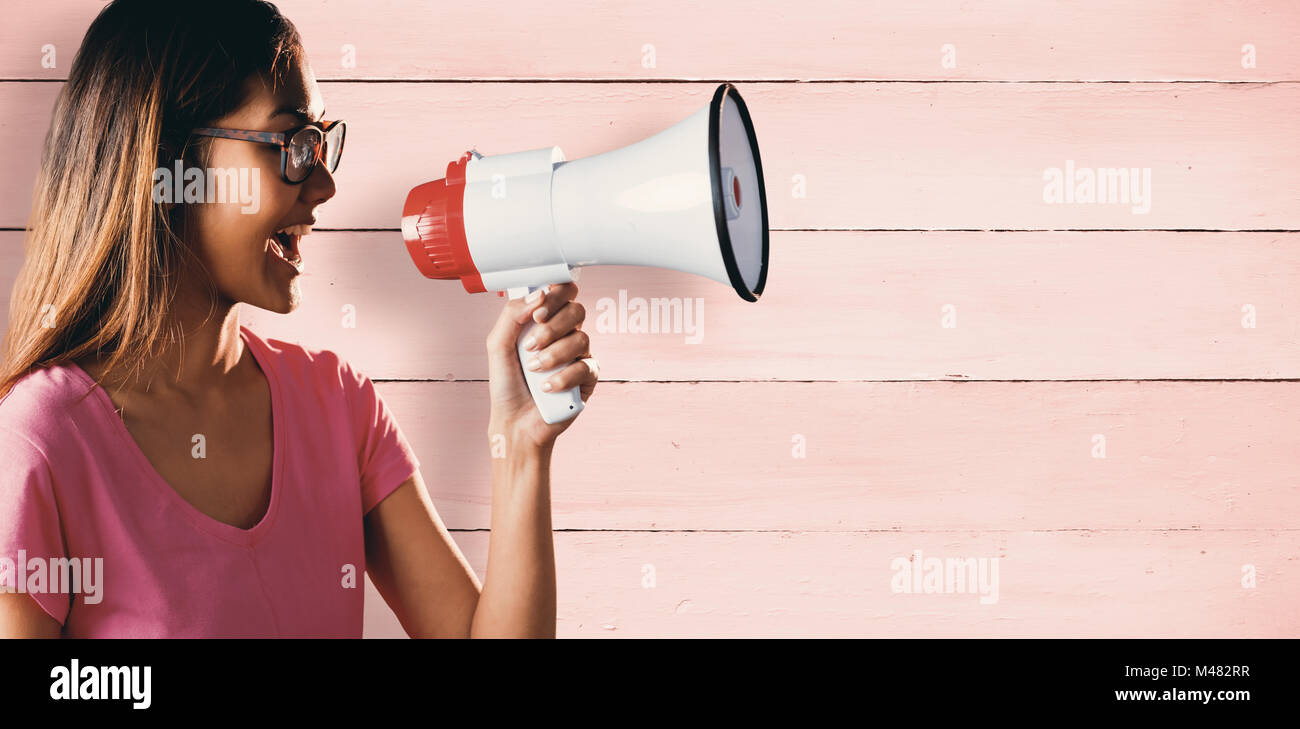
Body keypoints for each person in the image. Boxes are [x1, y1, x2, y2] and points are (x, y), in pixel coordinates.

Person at [0, 0, 598, 638]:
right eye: (292, 143)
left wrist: (521, 447)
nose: (323, 186)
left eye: (320, 143)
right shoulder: (42, 442)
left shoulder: (338, 407)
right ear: (168, 165)